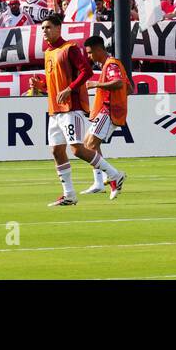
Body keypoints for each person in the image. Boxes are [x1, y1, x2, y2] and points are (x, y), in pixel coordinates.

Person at [42, 14, 124, 206]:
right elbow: (54, 84)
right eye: (42, 28)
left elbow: (86, 70)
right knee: (56, 150)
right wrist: (42, 85)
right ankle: (69, 194)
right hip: (54, 110)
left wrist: (70, 89)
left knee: (78, 149)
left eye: (48, 28)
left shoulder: (69, 48)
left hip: (72, 108)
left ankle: (114, 174)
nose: (44, 31)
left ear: (58, 28)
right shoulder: (48, 53)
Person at [82, 35, 129, 199]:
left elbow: (119, 83)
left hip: (108, 110)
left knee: (90, 145)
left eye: (89, 53)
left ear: (97, 50)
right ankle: (99, 182)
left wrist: (96, 84)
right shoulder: (111, 65)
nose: (89, 57)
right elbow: (128, 87)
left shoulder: (111, 64)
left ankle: (115, 176)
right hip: (107, 109)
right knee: (88, 145)